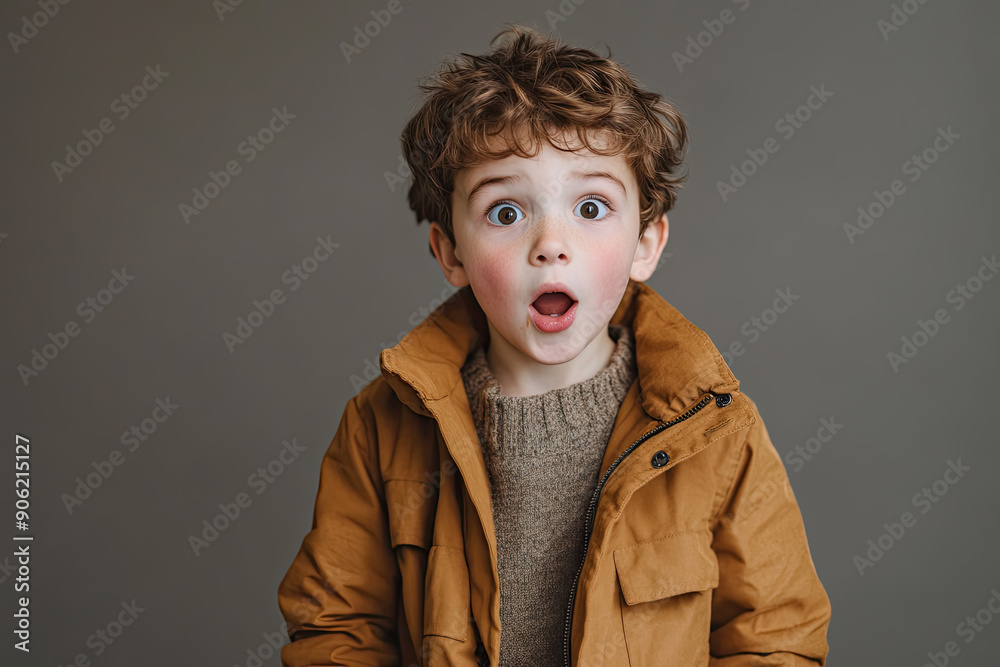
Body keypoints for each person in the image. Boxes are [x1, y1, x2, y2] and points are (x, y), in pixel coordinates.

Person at [277, 24, 831, 667]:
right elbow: (336, 631)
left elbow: (775, 640)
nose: (551, 243)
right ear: (450, 251)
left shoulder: (716, 433)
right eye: (506, 213)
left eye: (591, 208)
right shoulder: (381, 425)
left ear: (646, 243)